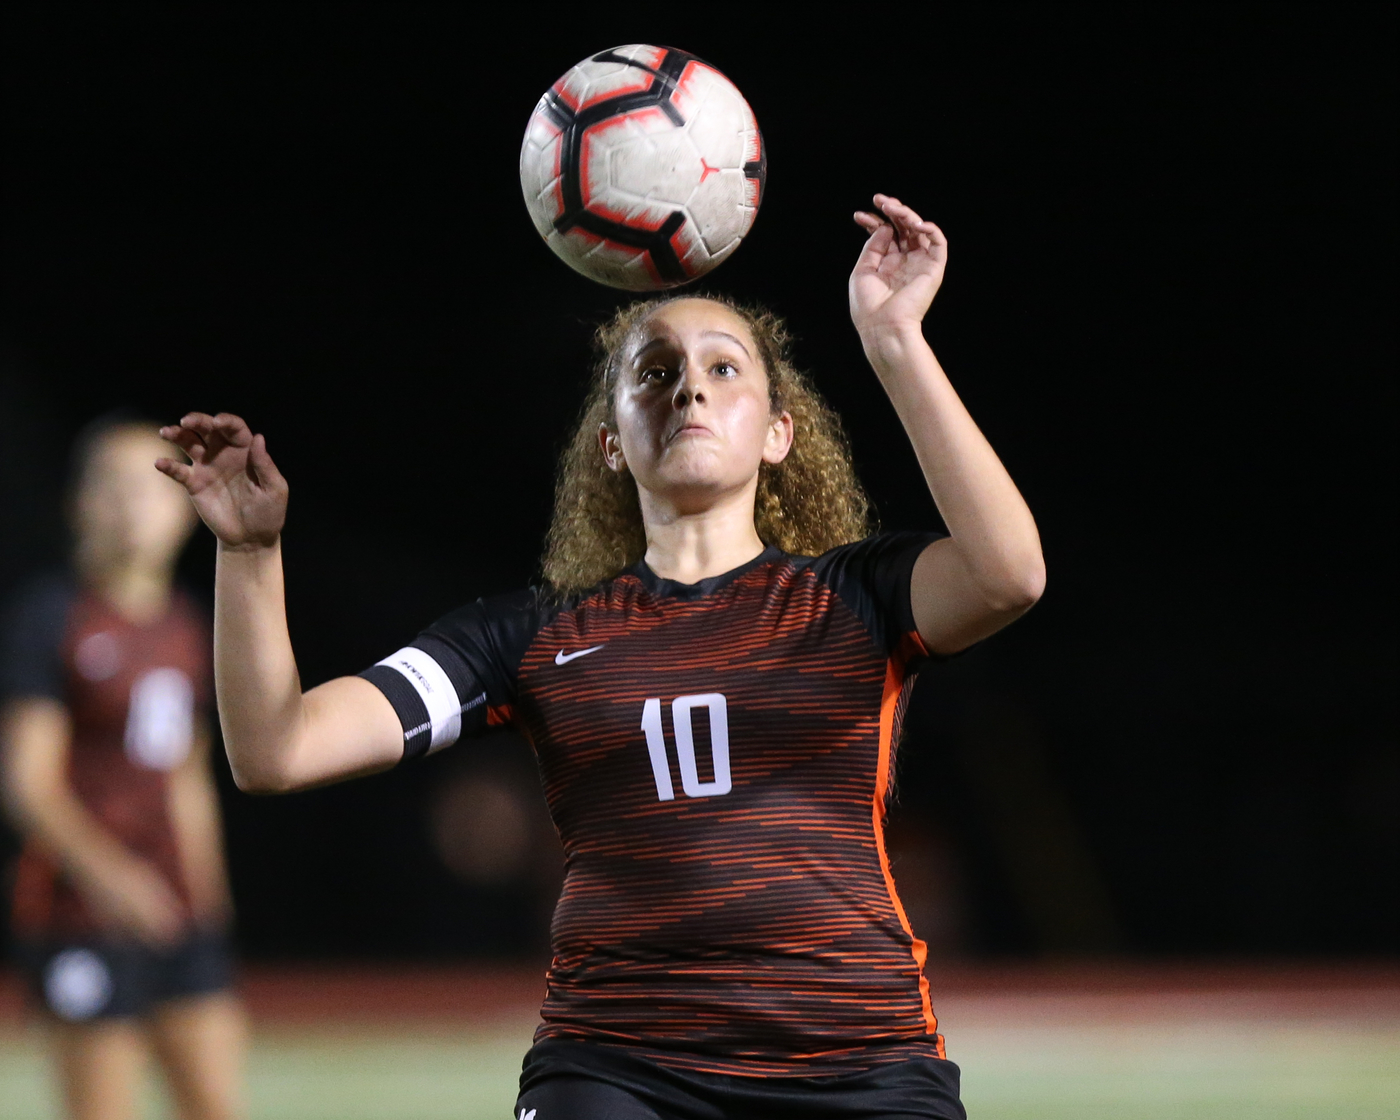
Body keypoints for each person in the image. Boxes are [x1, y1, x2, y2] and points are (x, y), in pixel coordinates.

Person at [158, 195, 1044, 1119]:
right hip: (619, 1064)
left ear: (780, 433)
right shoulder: (534, 633)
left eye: (723, 367)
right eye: (655, 370)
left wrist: (896, 341)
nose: (689, 387)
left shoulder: (852, 597)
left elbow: (1009, 573)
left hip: (857, 1055)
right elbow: (277, 750)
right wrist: (250, 555)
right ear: (612, 442)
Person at [1, 417, 245, 1120]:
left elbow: (187, 777)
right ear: (79, 503)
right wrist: (117, 881)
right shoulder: (52, 618)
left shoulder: (188, 626)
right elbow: (28, 784)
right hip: (81, 914)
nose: (132, 504)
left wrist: (207, 901)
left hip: (176, 913)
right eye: (111, 486)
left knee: (218, 1104)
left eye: (151, 486)